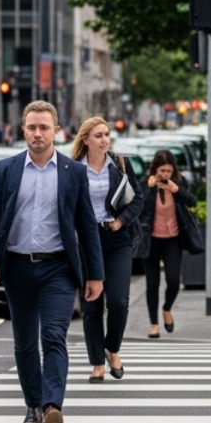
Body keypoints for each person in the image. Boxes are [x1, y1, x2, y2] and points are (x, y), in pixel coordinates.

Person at [0, 100, 103, 423]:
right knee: (24, 343)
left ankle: (52, 407)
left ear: (56, 131)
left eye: (44, 127)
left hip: (58, 268)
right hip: (17, 266)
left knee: (53, 337)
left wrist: (96, 274)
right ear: (23, 130)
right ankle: (33, 404)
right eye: (31, 127)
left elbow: (86, 225)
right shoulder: (6, 169)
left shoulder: (73, 172)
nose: (37, 133)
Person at [71, 116, 144, 381]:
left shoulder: (120, 164)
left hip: (116, 239)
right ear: (86, 140)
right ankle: (97, 363)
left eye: (106, 134)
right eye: (98, 135)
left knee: (118, 302)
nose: (104, 140)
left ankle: (112, 348)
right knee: (91, 303)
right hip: (87, 241)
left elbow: (137, 200)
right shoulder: (73, 168)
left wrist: (121, 221)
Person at [143, 149, 197, 338]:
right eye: (162, 171)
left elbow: (192, 201)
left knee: (174, 280)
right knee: (152, 283)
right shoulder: (146, 184)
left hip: (172, 239)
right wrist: (149, 189)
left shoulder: (177, 183)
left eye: (168, 171)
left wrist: (177, 190)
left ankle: (167, 308)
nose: (165, 174)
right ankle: (154, 324)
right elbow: (136, 207)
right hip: (151, 240)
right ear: (155, 169)